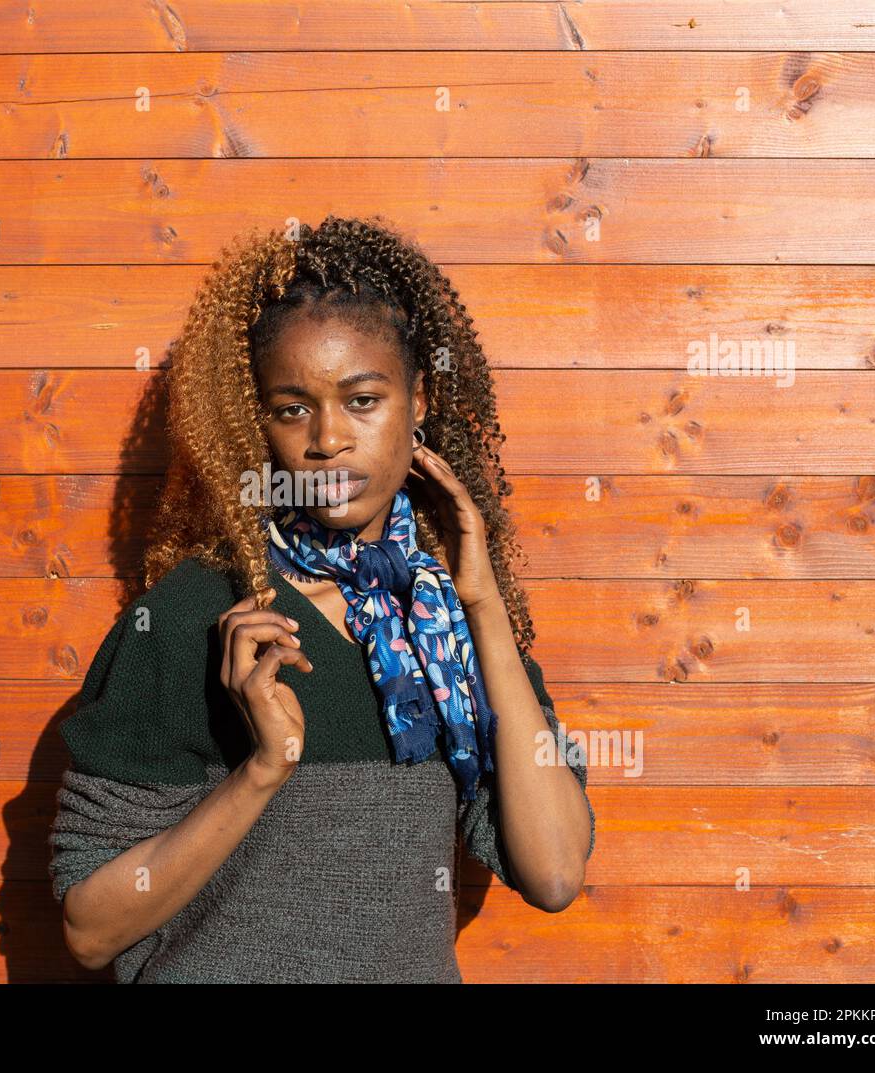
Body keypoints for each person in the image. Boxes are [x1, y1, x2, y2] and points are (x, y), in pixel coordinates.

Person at [48, 214, 595, 983]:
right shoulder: (193, 616)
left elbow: (556, 872)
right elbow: (90, 927)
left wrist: (485, 609)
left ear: (421, 400)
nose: (328, 438)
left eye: (363, 400)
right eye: (293, 407)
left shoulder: (452, 634)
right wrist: (263, 769)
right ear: (258, 423)